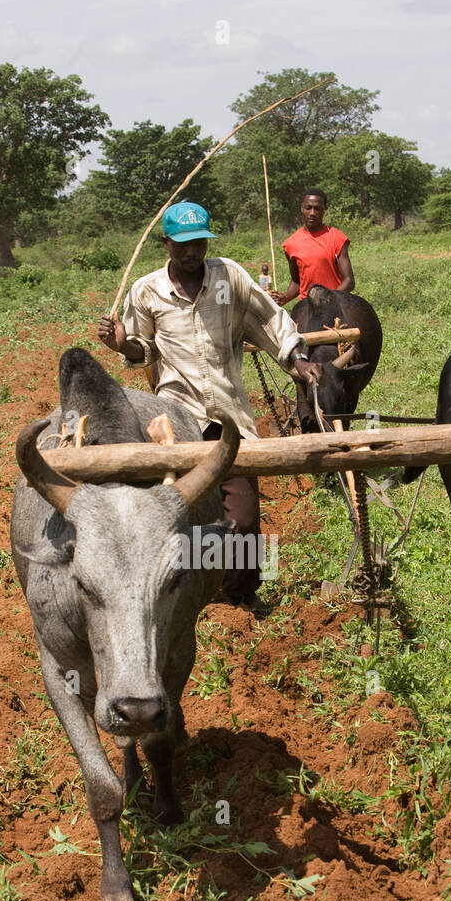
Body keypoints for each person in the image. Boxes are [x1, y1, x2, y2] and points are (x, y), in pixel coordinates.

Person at [97, 201, 319, 615]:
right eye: (181, 244)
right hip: (176, 419)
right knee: (179, 511)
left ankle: (239, 592)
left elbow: (268, 319)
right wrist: (121, 343)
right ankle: (185, 592)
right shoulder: (147, 291)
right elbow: (140, 350)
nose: (191, 252)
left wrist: (298, 359)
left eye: (197, 242)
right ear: (166, 244)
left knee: (246, 519)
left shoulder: (228, 276)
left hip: (228, 417)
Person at [270, 189, 355, 306]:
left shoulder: (337, 238)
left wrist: (329, 299)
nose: (312, 213)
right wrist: (285, 298)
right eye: (308, 208)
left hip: (335, 303)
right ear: (302, 208)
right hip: (307, 306)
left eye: (318, 208)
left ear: (325, 209)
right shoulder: (291, 244)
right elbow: (297, 281)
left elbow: (349, 281)